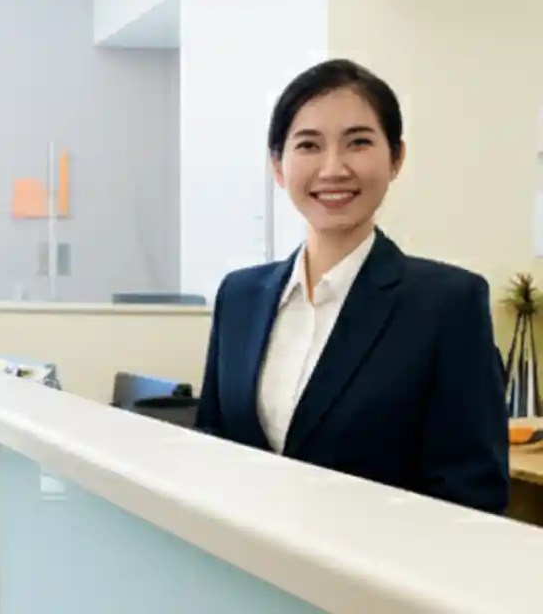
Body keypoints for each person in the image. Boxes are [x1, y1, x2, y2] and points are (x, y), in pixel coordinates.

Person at [194, 58, 509, 514]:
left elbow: (472, 493)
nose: (333, 169)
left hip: (381, 559)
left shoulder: (447, 305)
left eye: (358, 142)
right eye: (308, 145)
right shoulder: (239, 297)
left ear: (396, 158)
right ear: (278, 166)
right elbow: (213, 448)